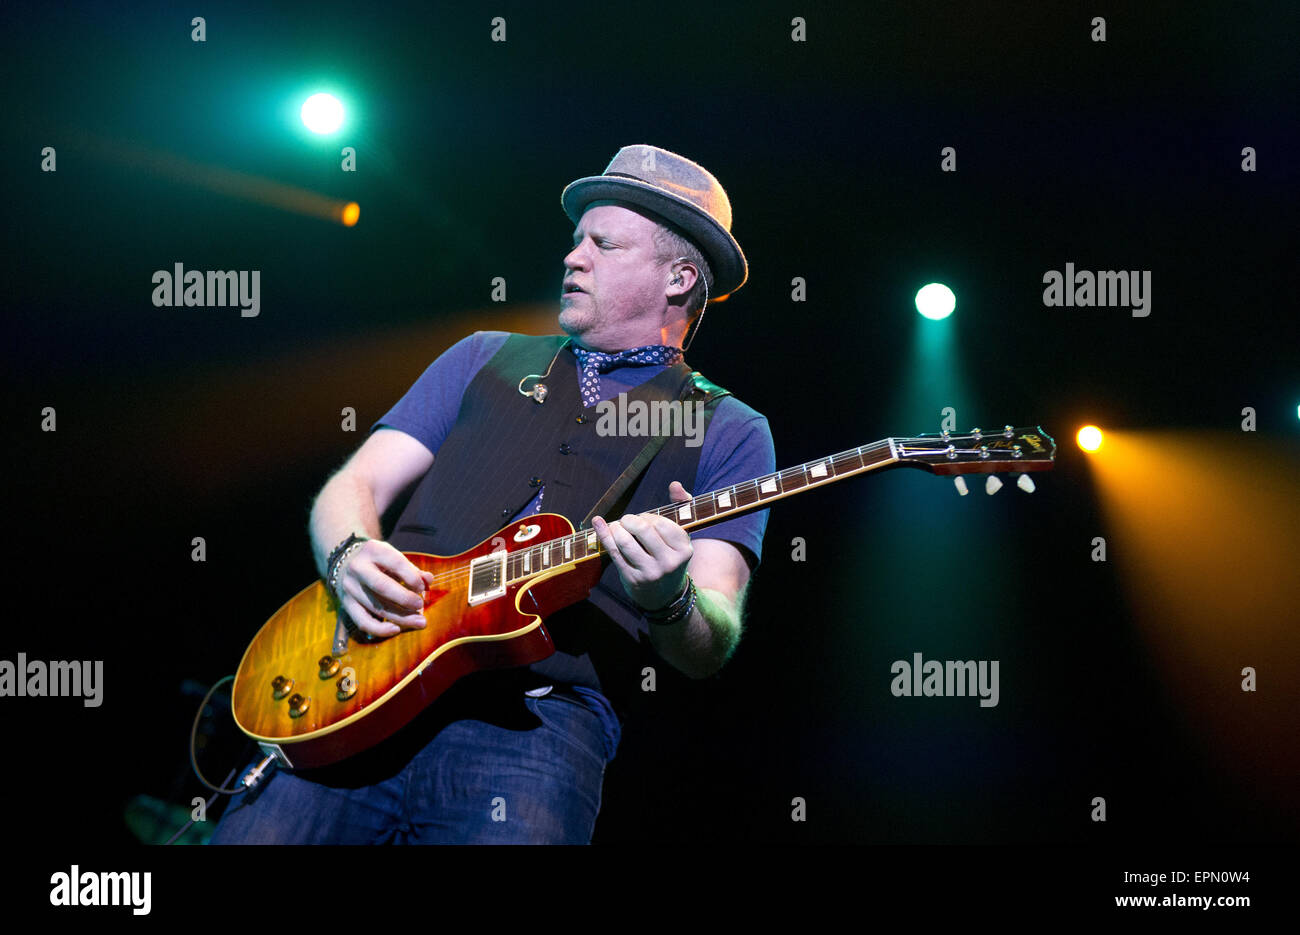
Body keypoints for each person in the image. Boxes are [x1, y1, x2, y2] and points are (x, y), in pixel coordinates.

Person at [210, 144, 775, 844]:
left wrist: (672, 597)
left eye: (604, 243)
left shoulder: (730, 428)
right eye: (576, 241)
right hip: (361, 678)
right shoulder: (484, 354)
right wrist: (350, 553)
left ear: (680, 276)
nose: (574, 257)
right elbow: (352, 485)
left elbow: (709, 639)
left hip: (539, 730)